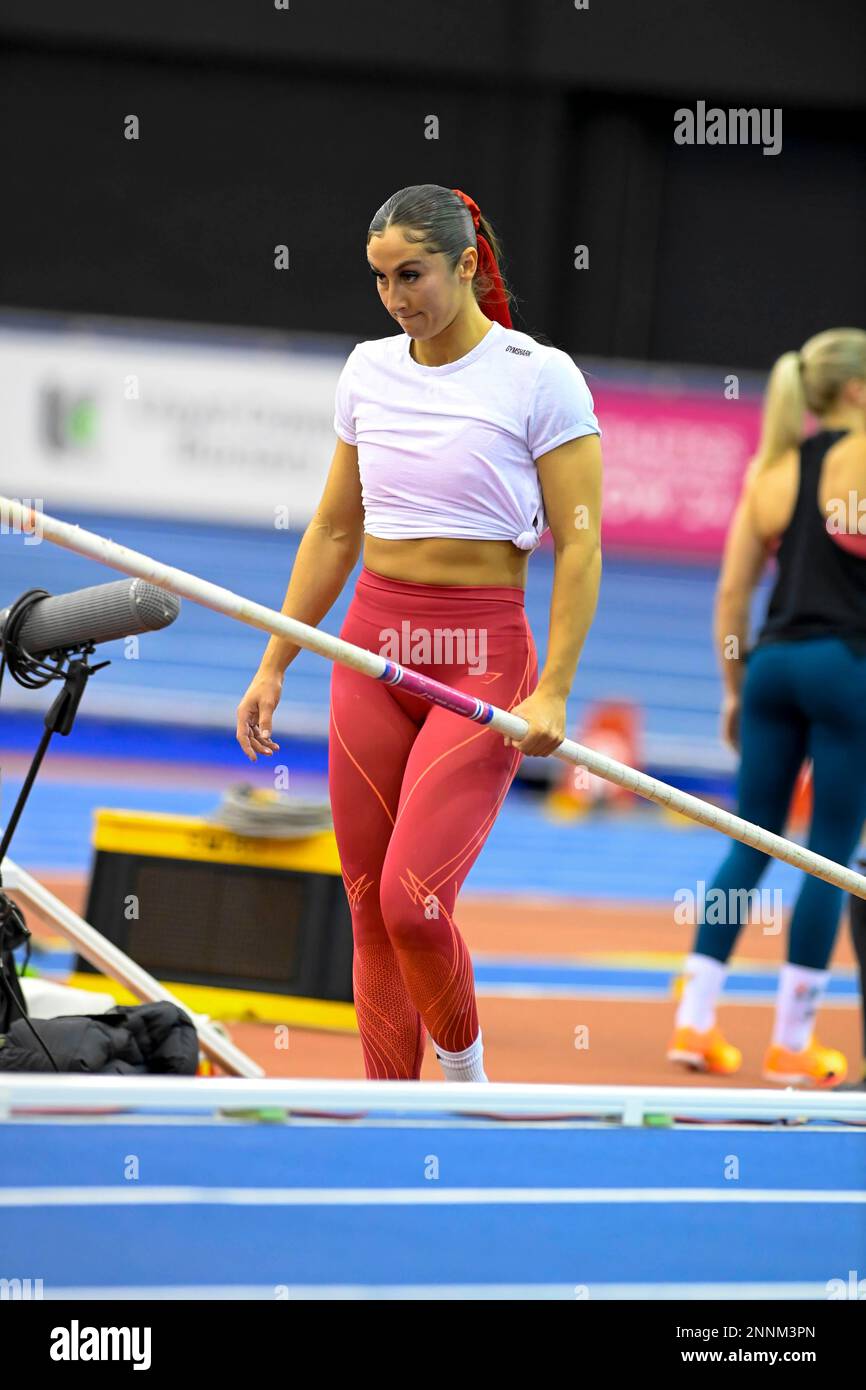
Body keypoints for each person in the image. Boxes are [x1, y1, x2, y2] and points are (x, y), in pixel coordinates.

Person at [236, 184, 603, 1082]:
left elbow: (582, 542)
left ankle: (467, 1087)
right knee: (366, 907)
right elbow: (332, 530)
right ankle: (389, 1118)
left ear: (467, 265)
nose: (397, 297)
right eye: (380, 279)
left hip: (481, 661)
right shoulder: (368, 369)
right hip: (370, 652)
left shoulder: (536, 375)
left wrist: (554, 684)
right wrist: (277, 659)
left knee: (412, 904)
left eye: (413, 274)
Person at [669, 329, 866, 1087]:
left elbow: (730, 592)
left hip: (772, 668)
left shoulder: (773, 470)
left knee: (749, 843)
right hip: (846, 667)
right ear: (853, 389)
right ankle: (791, 1042)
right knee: (828, 854)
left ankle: (694, 1023)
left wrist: (731, 687)